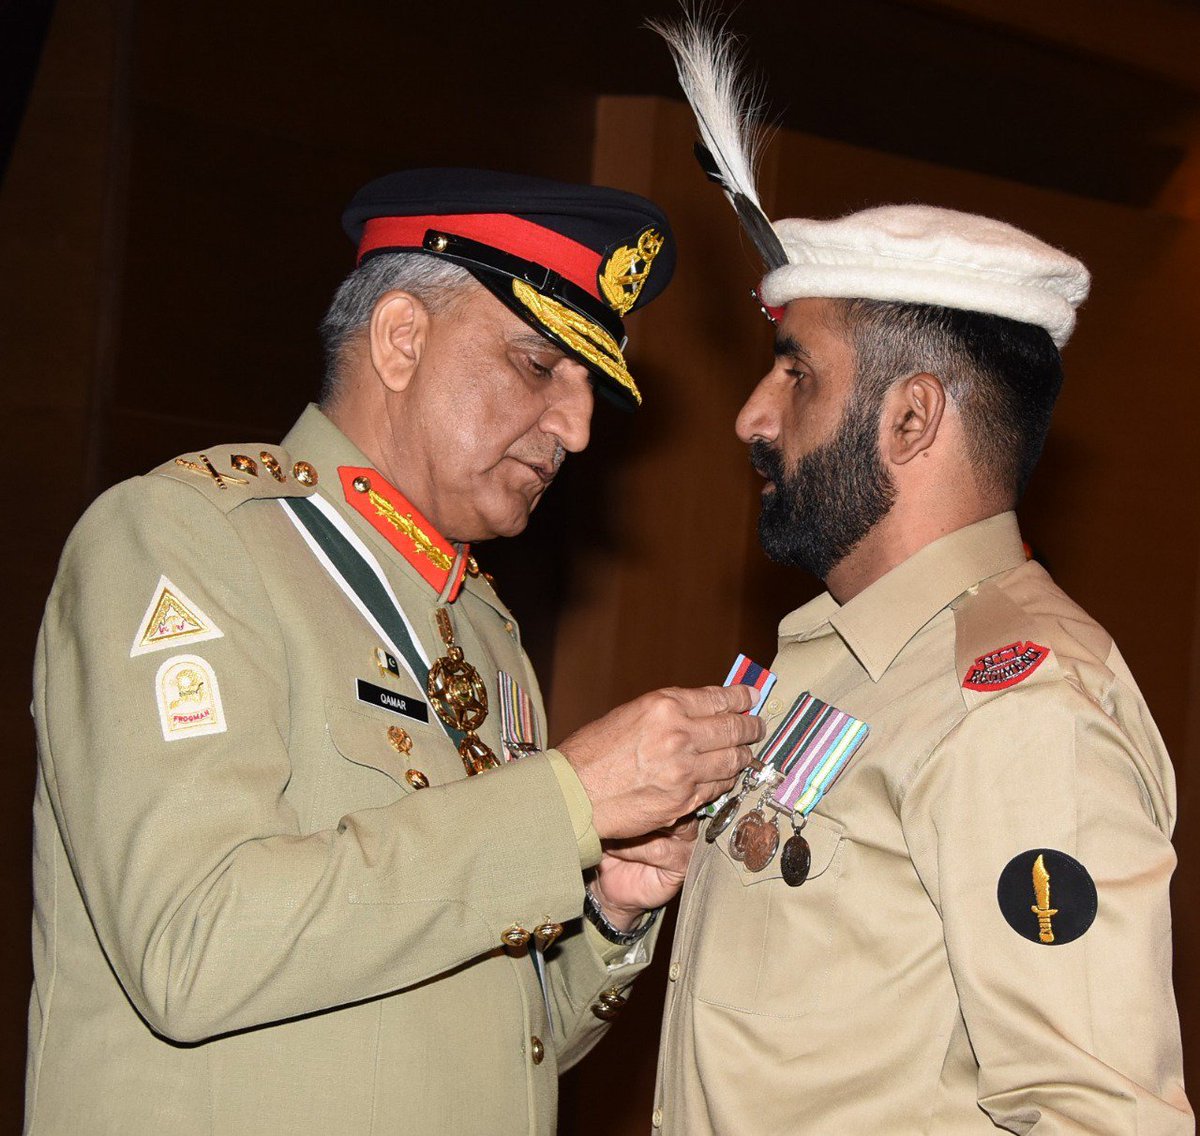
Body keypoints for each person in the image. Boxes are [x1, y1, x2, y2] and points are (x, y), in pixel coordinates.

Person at [25, 167, 763, 1136]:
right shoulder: (186, 538)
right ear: (402, 339)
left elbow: (493, 1031)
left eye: (590, 389)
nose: (576, 429)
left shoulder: (483, 627)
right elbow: (192, 946)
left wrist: (609, 911)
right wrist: (566, 799)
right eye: (540, 364)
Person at [649, 21, 1194, 1133]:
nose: (753, 415)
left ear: (912, 415)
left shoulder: (1018, 706)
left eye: (795, 373)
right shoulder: (837, 659)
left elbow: (1098, 1116)